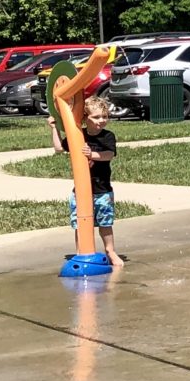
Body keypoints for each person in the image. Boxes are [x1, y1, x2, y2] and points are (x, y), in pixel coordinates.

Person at [71, 96, 125, 265]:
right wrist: (54, 129)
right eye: (96, 117)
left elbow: (109, 155)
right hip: (80, 191)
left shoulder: (107, 136)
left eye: (105, 116)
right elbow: (59, 147)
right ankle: (81, 252)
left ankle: (110, 251)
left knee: (105, 223)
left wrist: (91, 155)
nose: (101, 120)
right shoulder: (78, 135)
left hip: (102, 190)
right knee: (80, 223)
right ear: (85, 118)